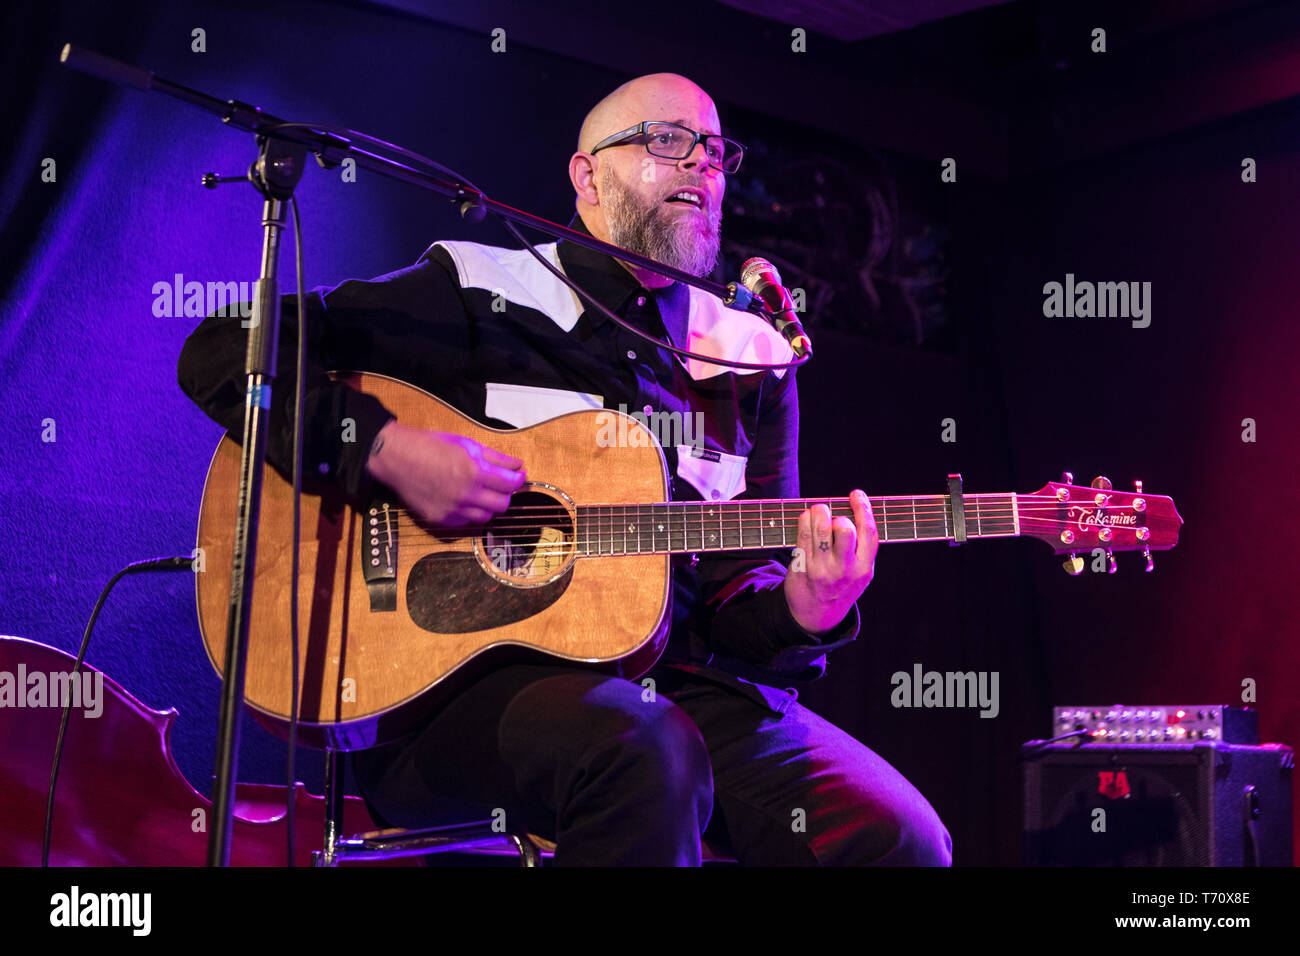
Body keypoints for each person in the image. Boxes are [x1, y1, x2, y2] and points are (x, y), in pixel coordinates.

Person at [177, 72, 952, 866]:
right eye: (665, 141)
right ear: (587, 176)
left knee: (901, 838)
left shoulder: (750, 358)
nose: (699, 167)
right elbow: (221, 349)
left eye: (715, 154)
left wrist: (805, 609)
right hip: (455, 700)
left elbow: (735, 605)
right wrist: (385, 448)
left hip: (680, 695)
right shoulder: (484, 289)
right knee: (646, 750)